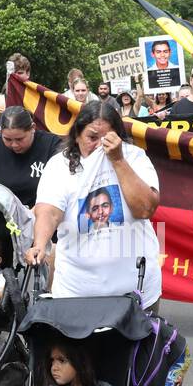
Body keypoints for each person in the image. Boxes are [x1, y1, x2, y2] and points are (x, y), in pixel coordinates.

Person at [24, 100, 162, 310]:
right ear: (77, 134)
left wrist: (118, 160)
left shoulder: (134, 157)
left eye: (107, 138)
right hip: (77, 290)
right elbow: (49, 211)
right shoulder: (59, 165)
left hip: (135, 290)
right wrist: (40, 245)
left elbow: (145, 209)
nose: (99, 145)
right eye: (92, 137)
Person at [0, 106, 62, 209]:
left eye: (20, 139)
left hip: (42, 212)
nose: (14, 145)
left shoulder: (52, 145)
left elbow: (61, 188)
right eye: (7, 139)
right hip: (2, 214)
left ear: (33, 128)